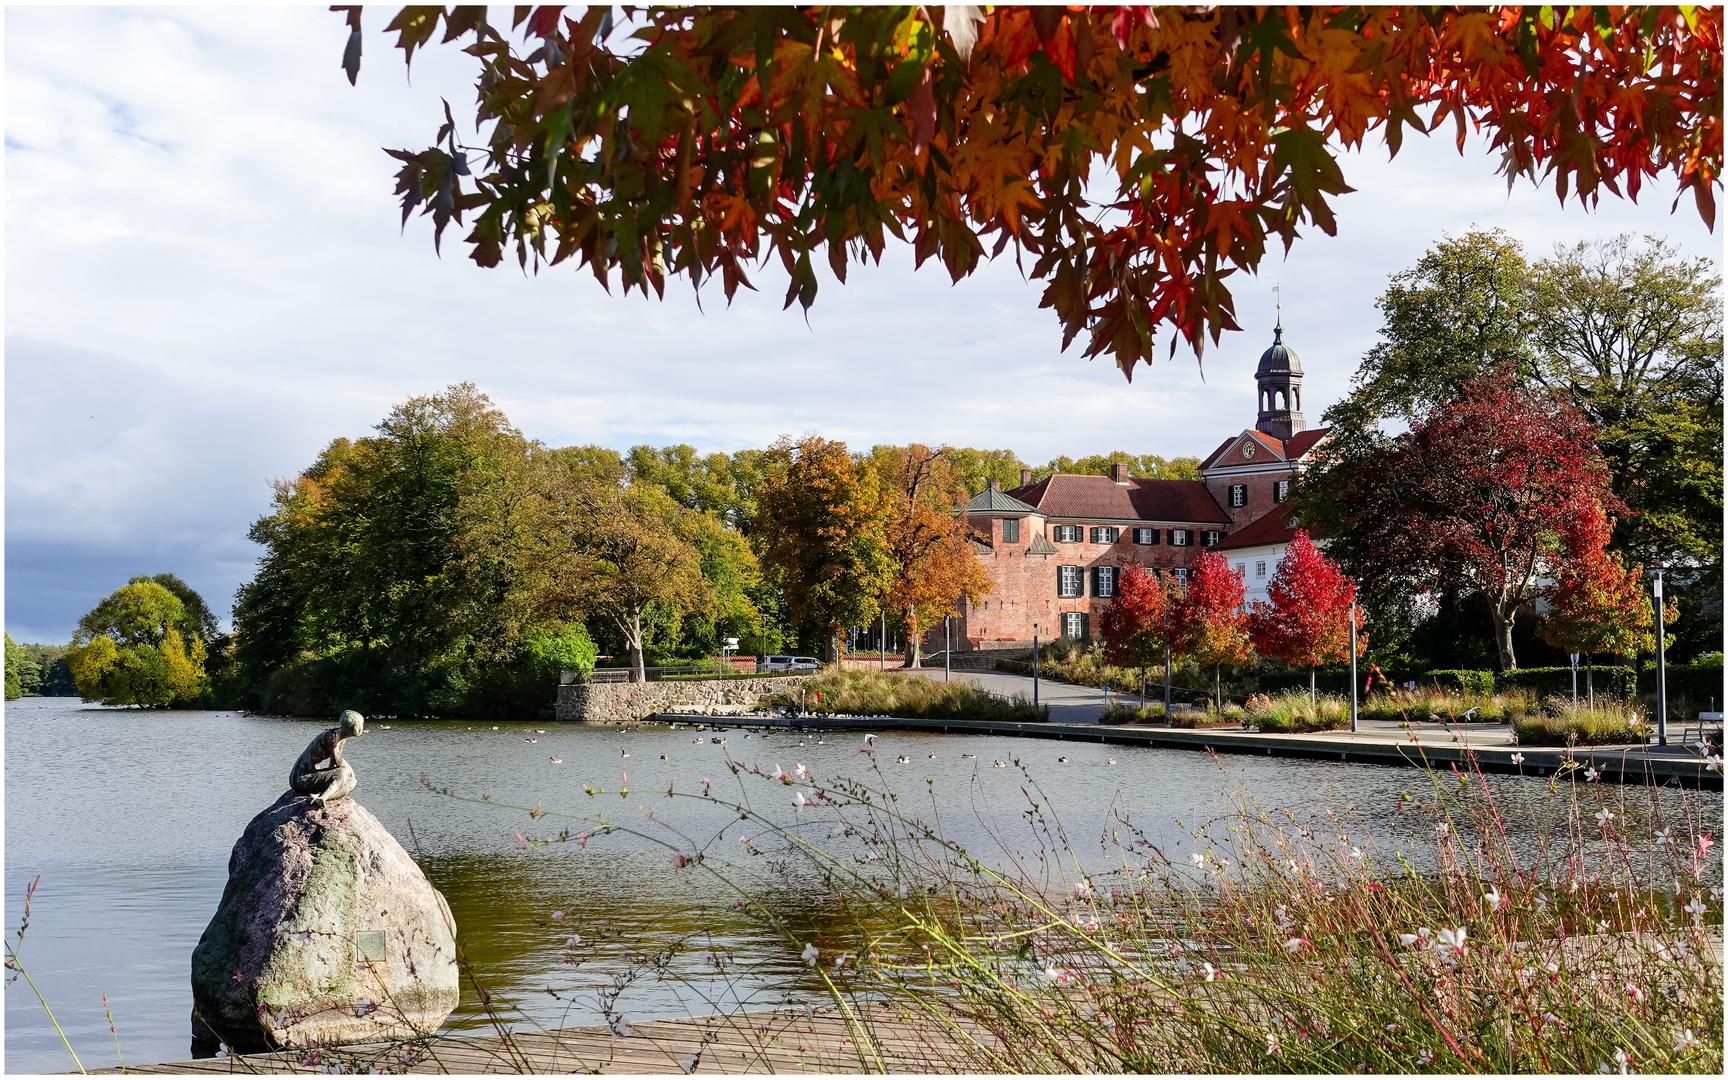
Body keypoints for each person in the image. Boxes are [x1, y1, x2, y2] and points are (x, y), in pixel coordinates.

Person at [290, 709, 365, 808]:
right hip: (301, 778)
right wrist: (349, 769)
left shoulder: (342, 738)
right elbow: (338, 761)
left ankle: (322, 797)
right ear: (350, 727)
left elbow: (333, 765)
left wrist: (345, 775)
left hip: (312, 774)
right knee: (343, 772)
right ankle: (323, 796)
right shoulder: (332, 736)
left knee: (352, 781)